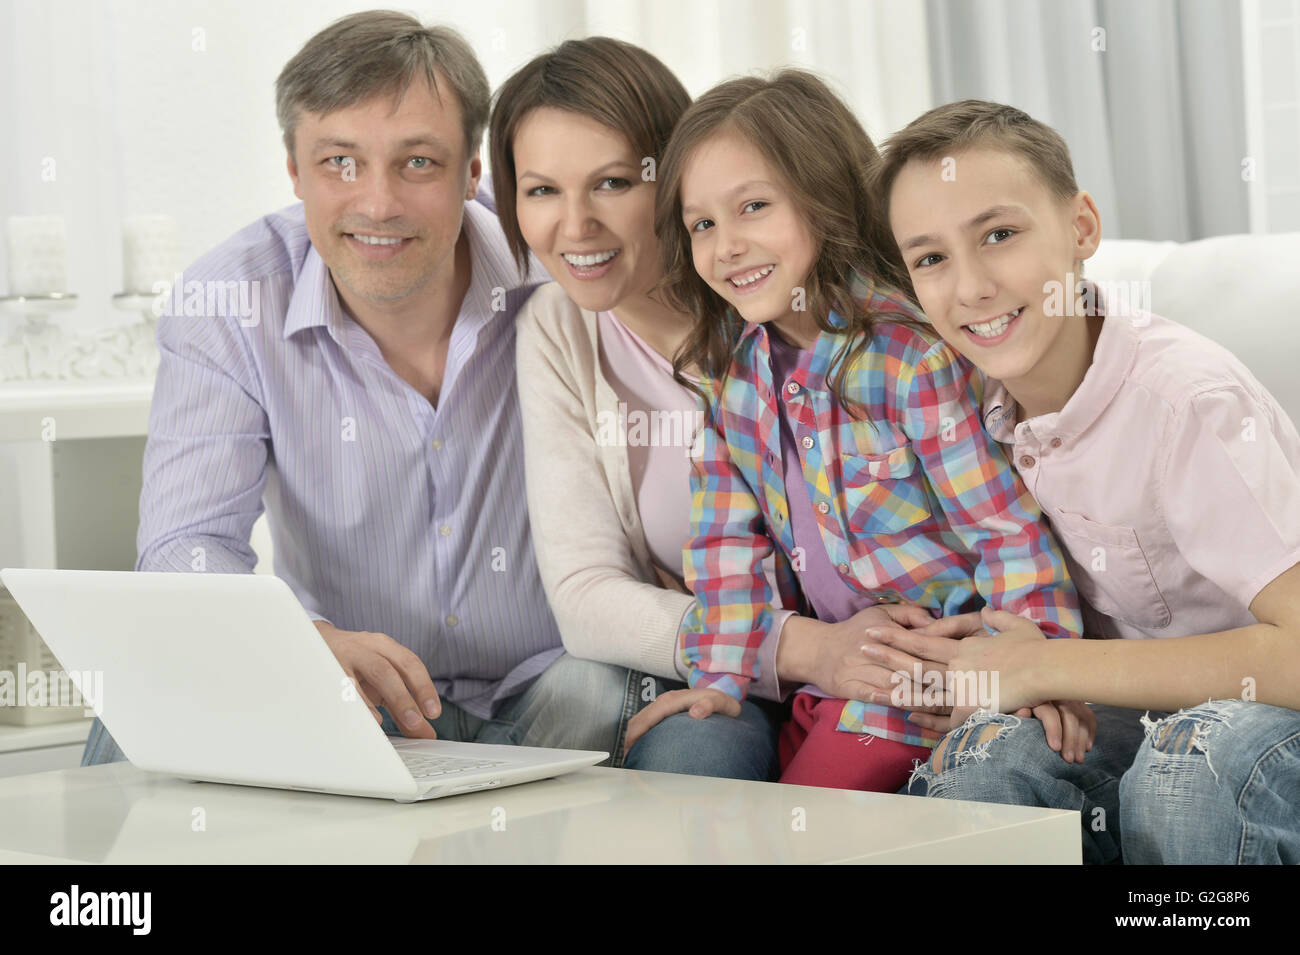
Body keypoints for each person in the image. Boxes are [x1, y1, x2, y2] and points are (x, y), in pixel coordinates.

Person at [83, 12, 643, 767]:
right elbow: (185, 552)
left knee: (667, 713)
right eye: (339, 162)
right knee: (129, 714)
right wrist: (302, 645)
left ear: (472, 171)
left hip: (560, 689)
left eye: (417, 163)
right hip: (347, 700)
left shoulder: (561, 272)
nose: (377, 203)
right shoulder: (231, 301)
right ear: (292, 168)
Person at [869, 98, 1300, 863]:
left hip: (1263, 728)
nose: (970, 287)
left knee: (1189, 758)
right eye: (931, 258)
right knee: (986, 754)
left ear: (1082, 228)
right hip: (1134, 722)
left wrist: (1051, 663)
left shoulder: (1186, 402)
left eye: (999, 234)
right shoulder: (965, 407)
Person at [632, 70, 1085, 793]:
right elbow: (724, 543)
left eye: (754, 207)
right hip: (829, 682)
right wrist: (718, 674)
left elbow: (1004, 529)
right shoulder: (734, 378)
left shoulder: (910, 359)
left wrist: (1039, 667)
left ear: (823, 197)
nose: (728, 246)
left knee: (814, 817)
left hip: (927, 678)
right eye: (702, 225)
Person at [495, 38, 931, 780]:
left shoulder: (775, 295)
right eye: (540, 191)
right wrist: (797, 647)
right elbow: (586, 597)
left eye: (610, 183)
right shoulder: (556, 330)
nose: (574, 227)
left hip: (890, 660)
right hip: (740, 670)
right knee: (673, 743)